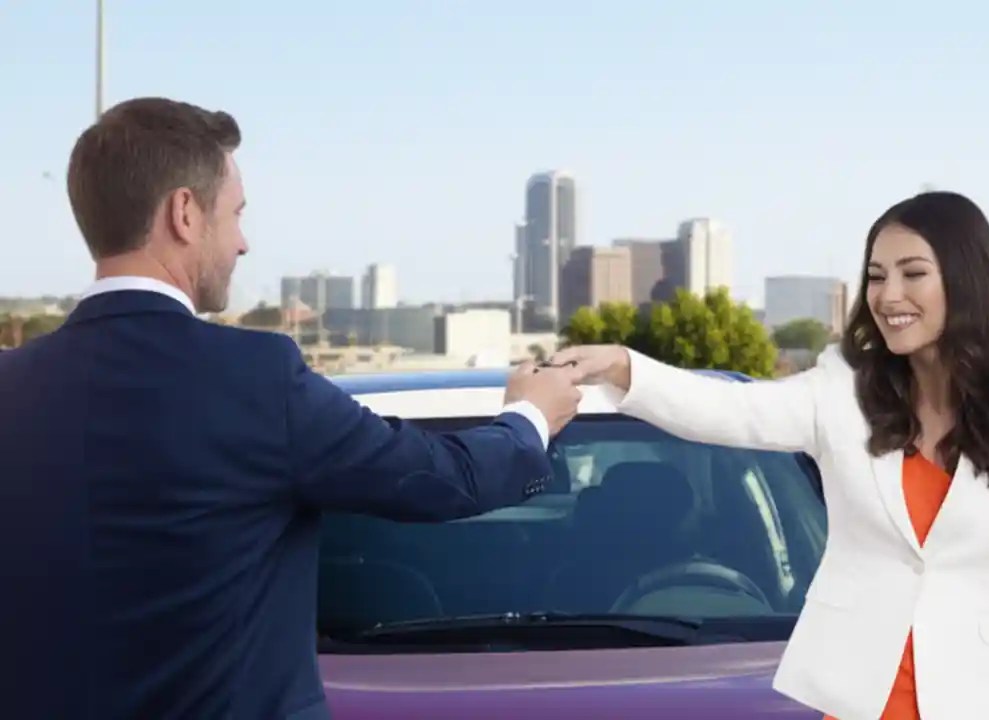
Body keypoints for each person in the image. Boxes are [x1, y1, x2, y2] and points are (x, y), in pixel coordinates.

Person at [0, 97, 581, 720]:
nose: (243, 243)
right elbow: (439, 477)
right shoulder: (255, 377)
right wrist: (529, 418)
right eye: (236, 213)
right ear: (185, 213)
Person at [552, 190, 989, 720]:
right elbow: (727, 408)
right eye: (876, 276)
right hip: (859, 701)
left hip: (982, 700)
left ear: (966, 281)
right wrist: (623, 365)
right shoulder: (842, 390)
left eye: (913, 273)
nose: (888, 295)